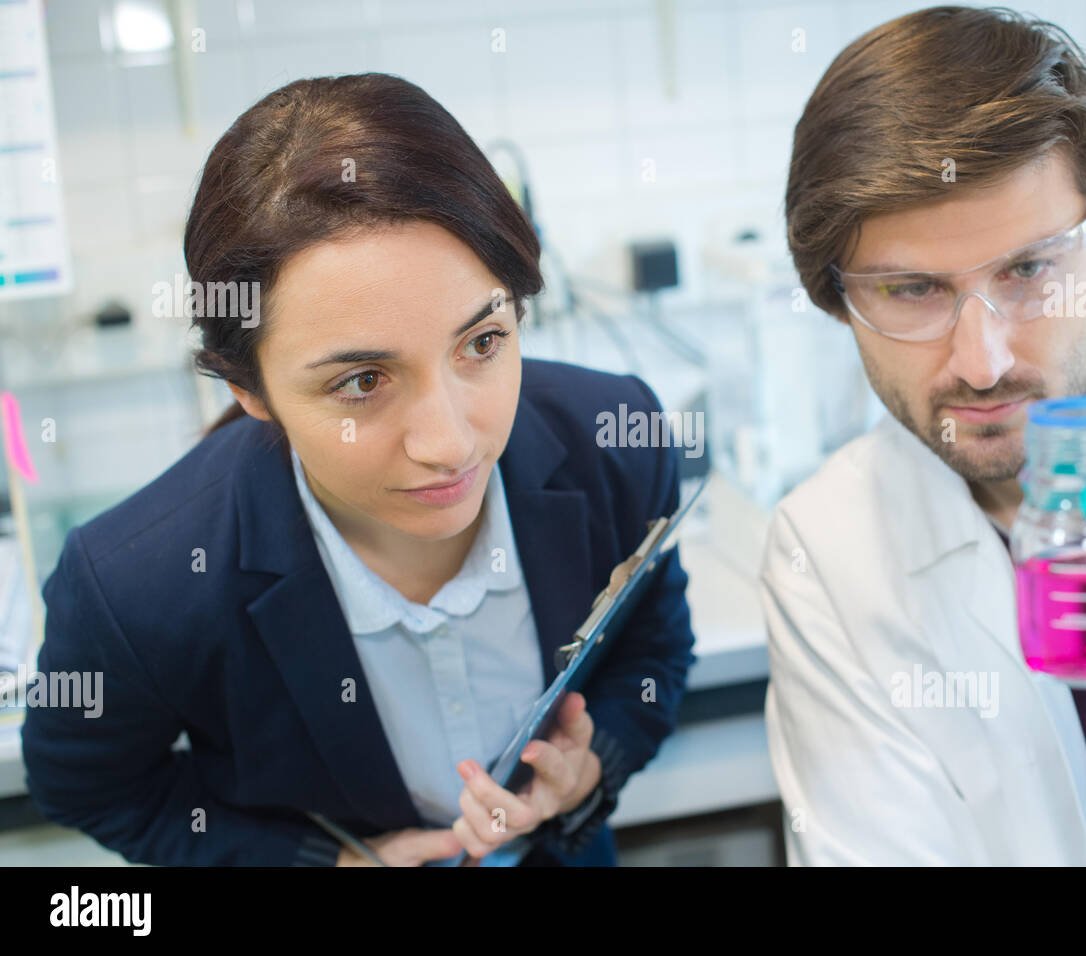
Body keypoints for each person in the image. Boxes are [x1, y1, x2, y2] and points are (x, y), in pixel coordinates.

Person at [21, 73, 696, 867]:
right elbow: (90, 786)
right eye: (361, 382)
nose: (448, 443)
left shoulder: (616, 442)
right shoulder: (138, 586)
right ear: (251, 388)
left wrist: (586, 768)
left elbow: (652, 651)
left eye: (482, 343)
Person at [764, 5, 1086, 865]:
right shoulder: (830, 555)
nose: (982, 362)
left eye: (1028, 270)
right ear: (837, 299)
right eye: (911, 290)